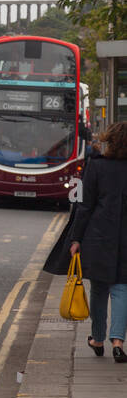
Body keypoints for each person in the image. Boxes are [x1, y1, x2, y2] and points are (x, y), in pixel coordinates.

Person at [70, 122, 127, 362]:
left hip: (98, 235)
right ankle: (118, 342)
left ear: (109, 141)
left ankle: (97, 339)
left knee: (100, 288)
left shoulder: (95, 166)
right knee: (122, 288)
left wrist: (76, 238)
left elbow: (84, 206)